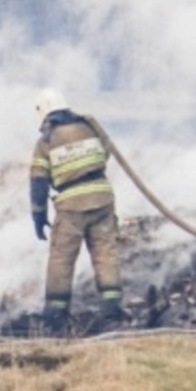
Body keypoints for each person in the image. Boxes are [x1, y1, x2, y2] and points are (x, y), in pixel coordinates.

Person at [29, 88, 125, 334]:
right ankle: (112, 310)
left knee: (62, 258)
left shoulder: (46, 142)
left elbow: (39, 182)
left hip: (71, 205)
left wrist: (38, 216)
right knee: (106, 253)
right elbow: (106, 152)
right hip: (102, 197)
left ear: (43, 115)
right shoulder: (89, 126)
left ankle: (56, 315)